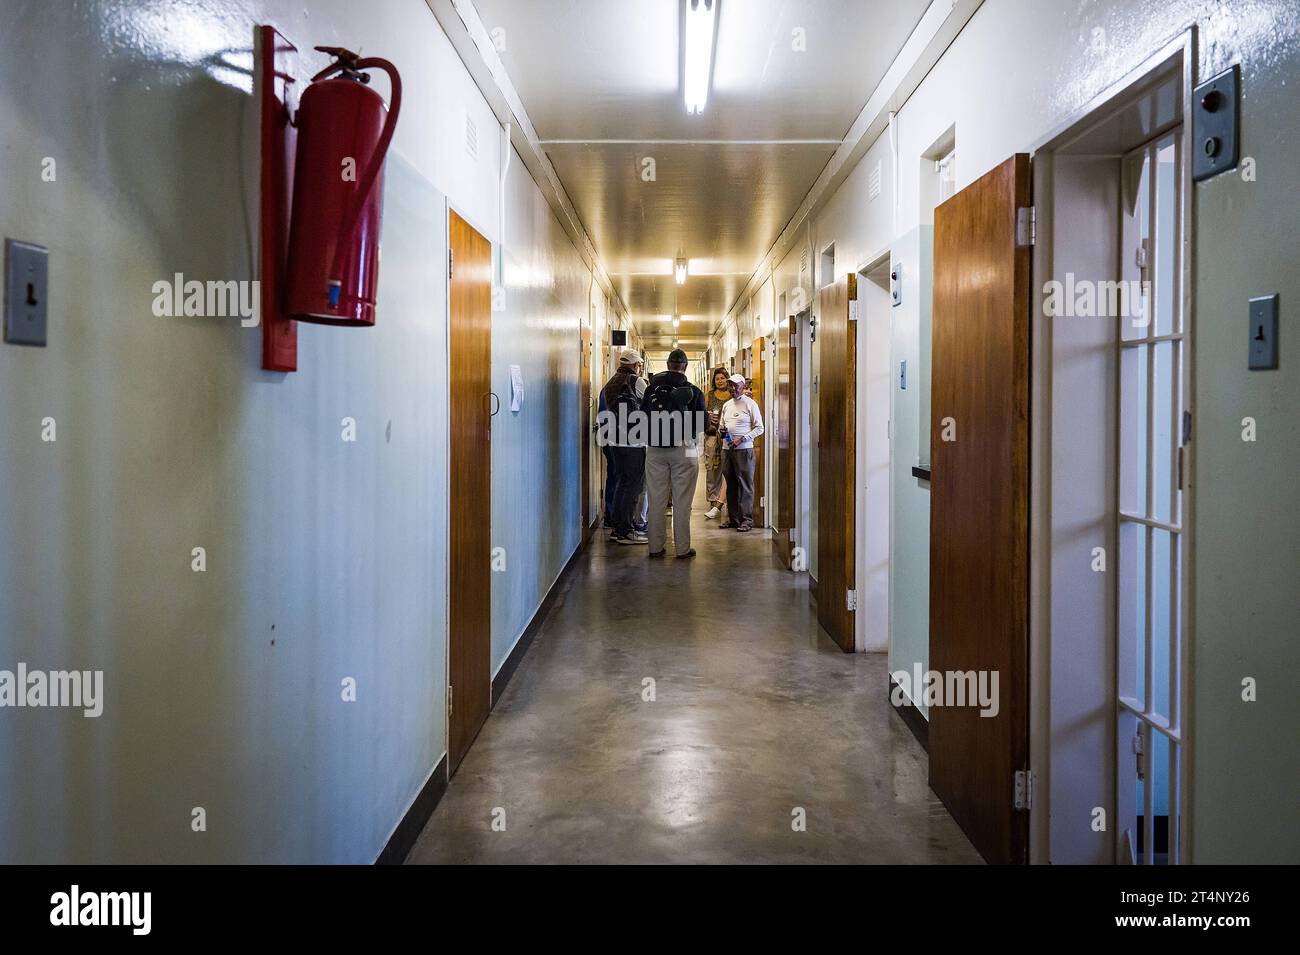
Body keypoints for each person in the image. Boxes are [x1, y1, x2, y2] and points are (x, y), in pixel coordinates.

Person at [642, 349, 706, 559]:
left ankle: (655, 547)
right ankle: (682, 548)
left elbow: (641, 418)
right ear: (685, 367)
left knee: (656, 499)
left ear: (668, 365)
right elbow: (701, 424)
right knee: (682, 501)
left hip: (654, 449)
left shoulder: (651, 389)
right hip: (684, 448)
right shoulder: (693, 391)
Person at [600, 348, 648, 544]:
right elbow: (648, 405)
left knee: (622, 483)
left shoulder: (610, 383)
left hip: (614, 440)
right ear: (636, 365)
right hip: (632, 440)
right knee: (633, 485)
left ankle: (618, 527)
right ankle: (626, 531)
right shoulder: (635, 381)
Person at [719, 373, 764, 532]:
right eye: (730, 385)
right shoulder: (727, 405)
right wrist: (723, 433)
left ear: (743, 386)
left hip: (744, 450)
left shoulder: (750, 404)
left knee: (745, 485)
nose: (732, 388)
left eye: (736, 386)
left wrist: (742, 439)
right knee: (731, 484)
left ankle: (746, 520)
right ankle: (733, 519)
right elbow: (722, 426)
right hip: (727, 450)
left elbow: (760, 428)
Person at [702, 366, 730, 520]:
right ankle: (713, 499)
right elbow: (703, 413)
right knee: (712, 467)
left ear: (727, 378)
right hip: (712, 436)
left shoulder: (733, 395)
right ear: (714, 381)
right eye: (717, 378)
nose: (720, 381)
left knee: (727, 468)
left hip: (728, 436)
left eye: (722, 378)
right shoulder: (709, 395)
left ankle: (725, 499)